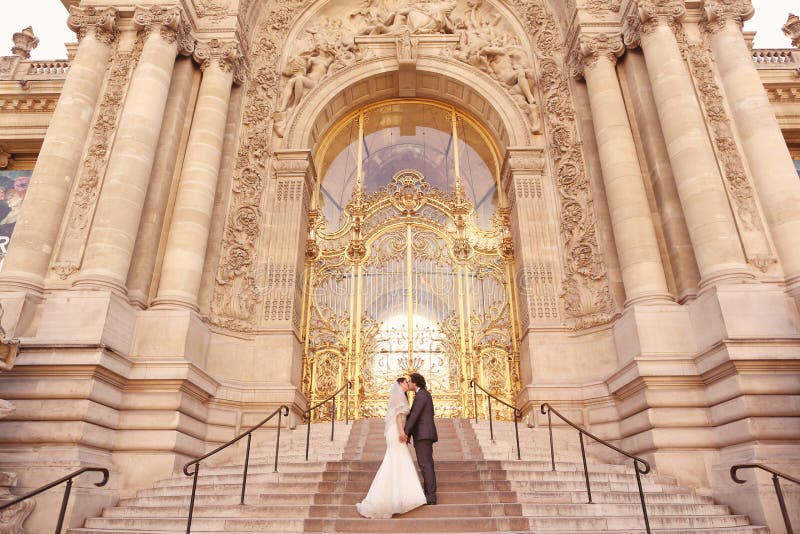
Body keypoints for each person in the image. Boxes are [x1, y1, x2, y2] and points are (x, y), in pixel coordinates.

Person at [356, 377, 427, 518]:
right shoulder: (398, 396)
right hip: (396, 430)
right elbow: (397, 416)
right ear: (400, 384)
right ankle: (395, 498)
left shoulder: (401, 396)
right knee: (397, 458)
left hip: (395, 430)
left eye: (409, 382)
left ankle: (397, 497)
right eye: (406, 382)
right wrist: (402, 432)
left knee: (395, 460)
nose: (408, 384)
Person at [402, 373, 438, 505]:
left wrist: (405, 433)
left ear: (415, 383)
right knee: (426, 465)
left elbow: (414, 415)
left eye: (409, 381)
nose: (408, 384)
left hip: (423, 435)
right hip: (423, 435)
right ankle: (429, 493)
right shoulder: (422, 394)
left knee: (426, 465)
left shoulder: (422, 395)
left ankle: (431, 496)